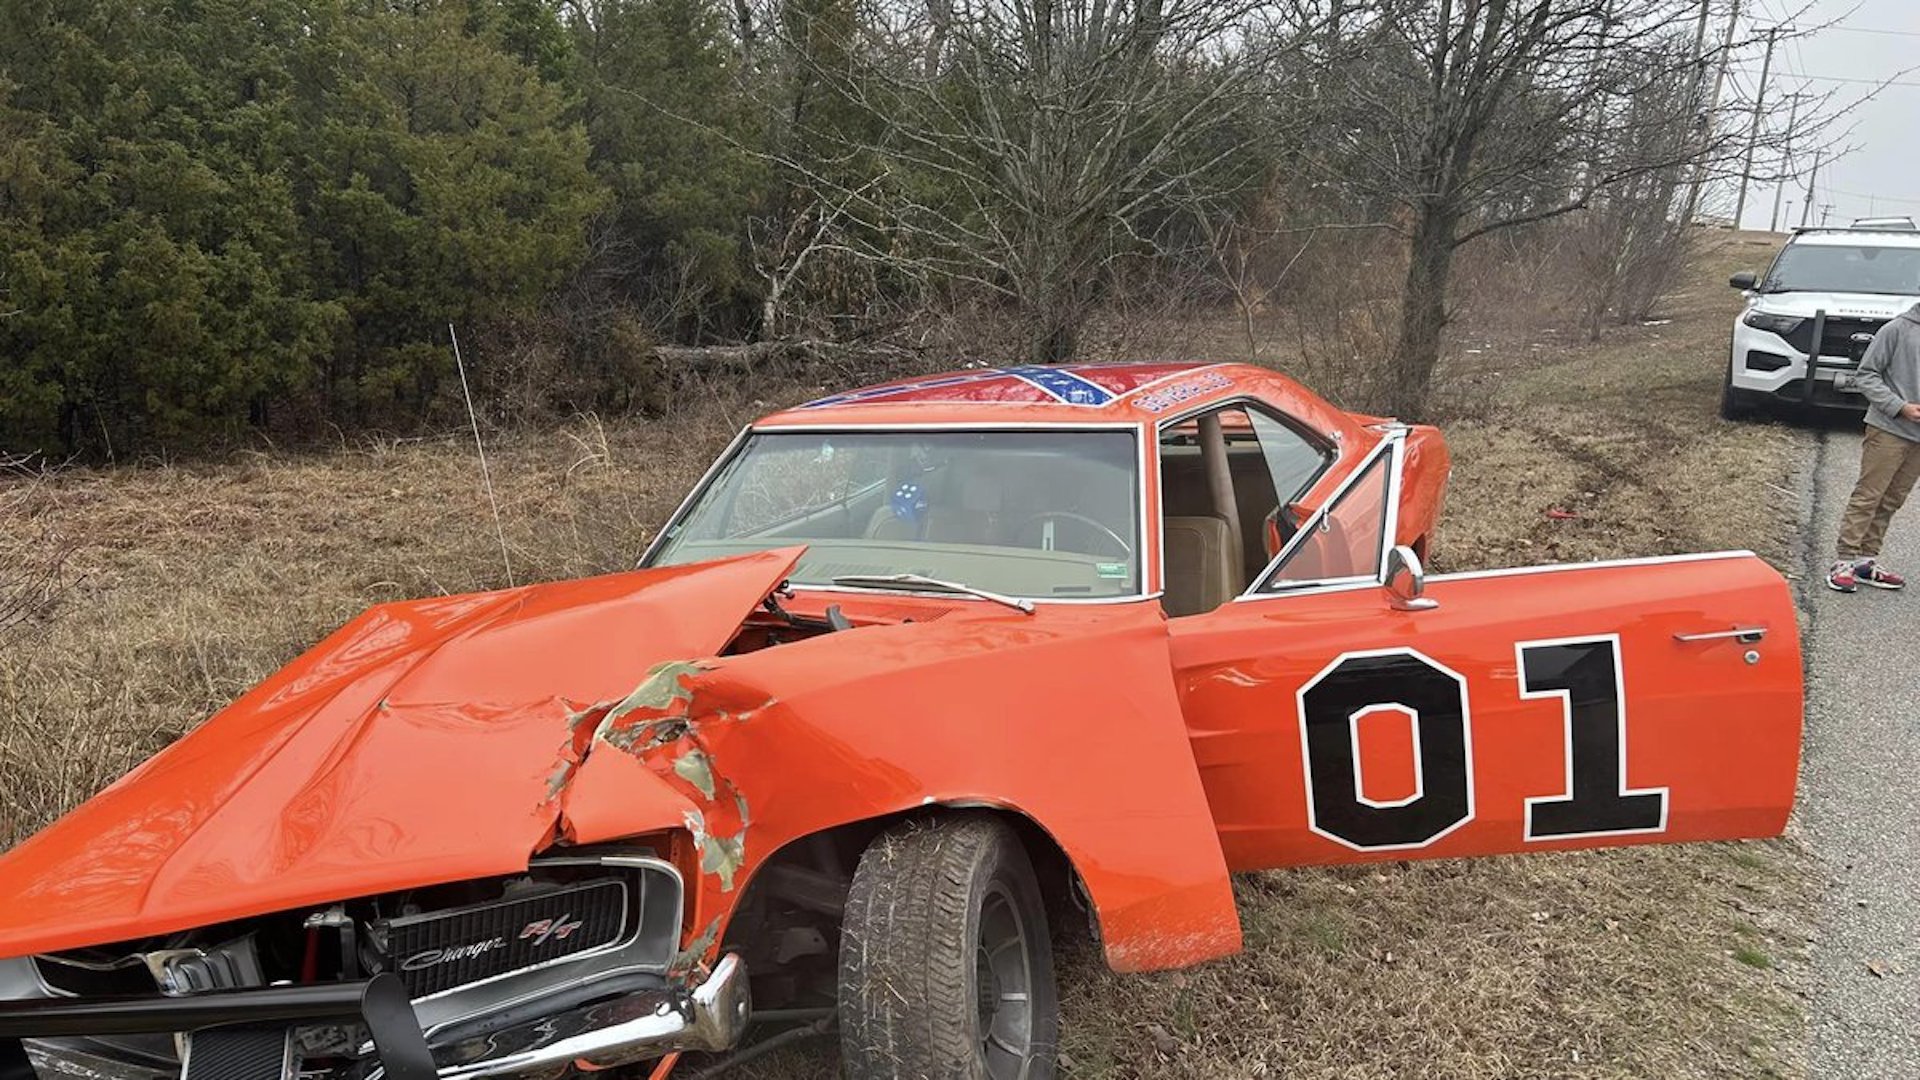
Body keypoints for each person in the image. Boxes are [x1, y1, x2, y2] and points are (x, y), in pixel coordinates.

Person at [1829, 301, 1920, 592]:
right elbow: (1866, 374)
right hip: (1889, 429)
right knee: (1869, 495)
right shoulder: (1896, 329)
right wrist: (1899, 407)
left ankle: (1866, 561)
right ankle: (1843, 561)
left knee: (1892, 500)